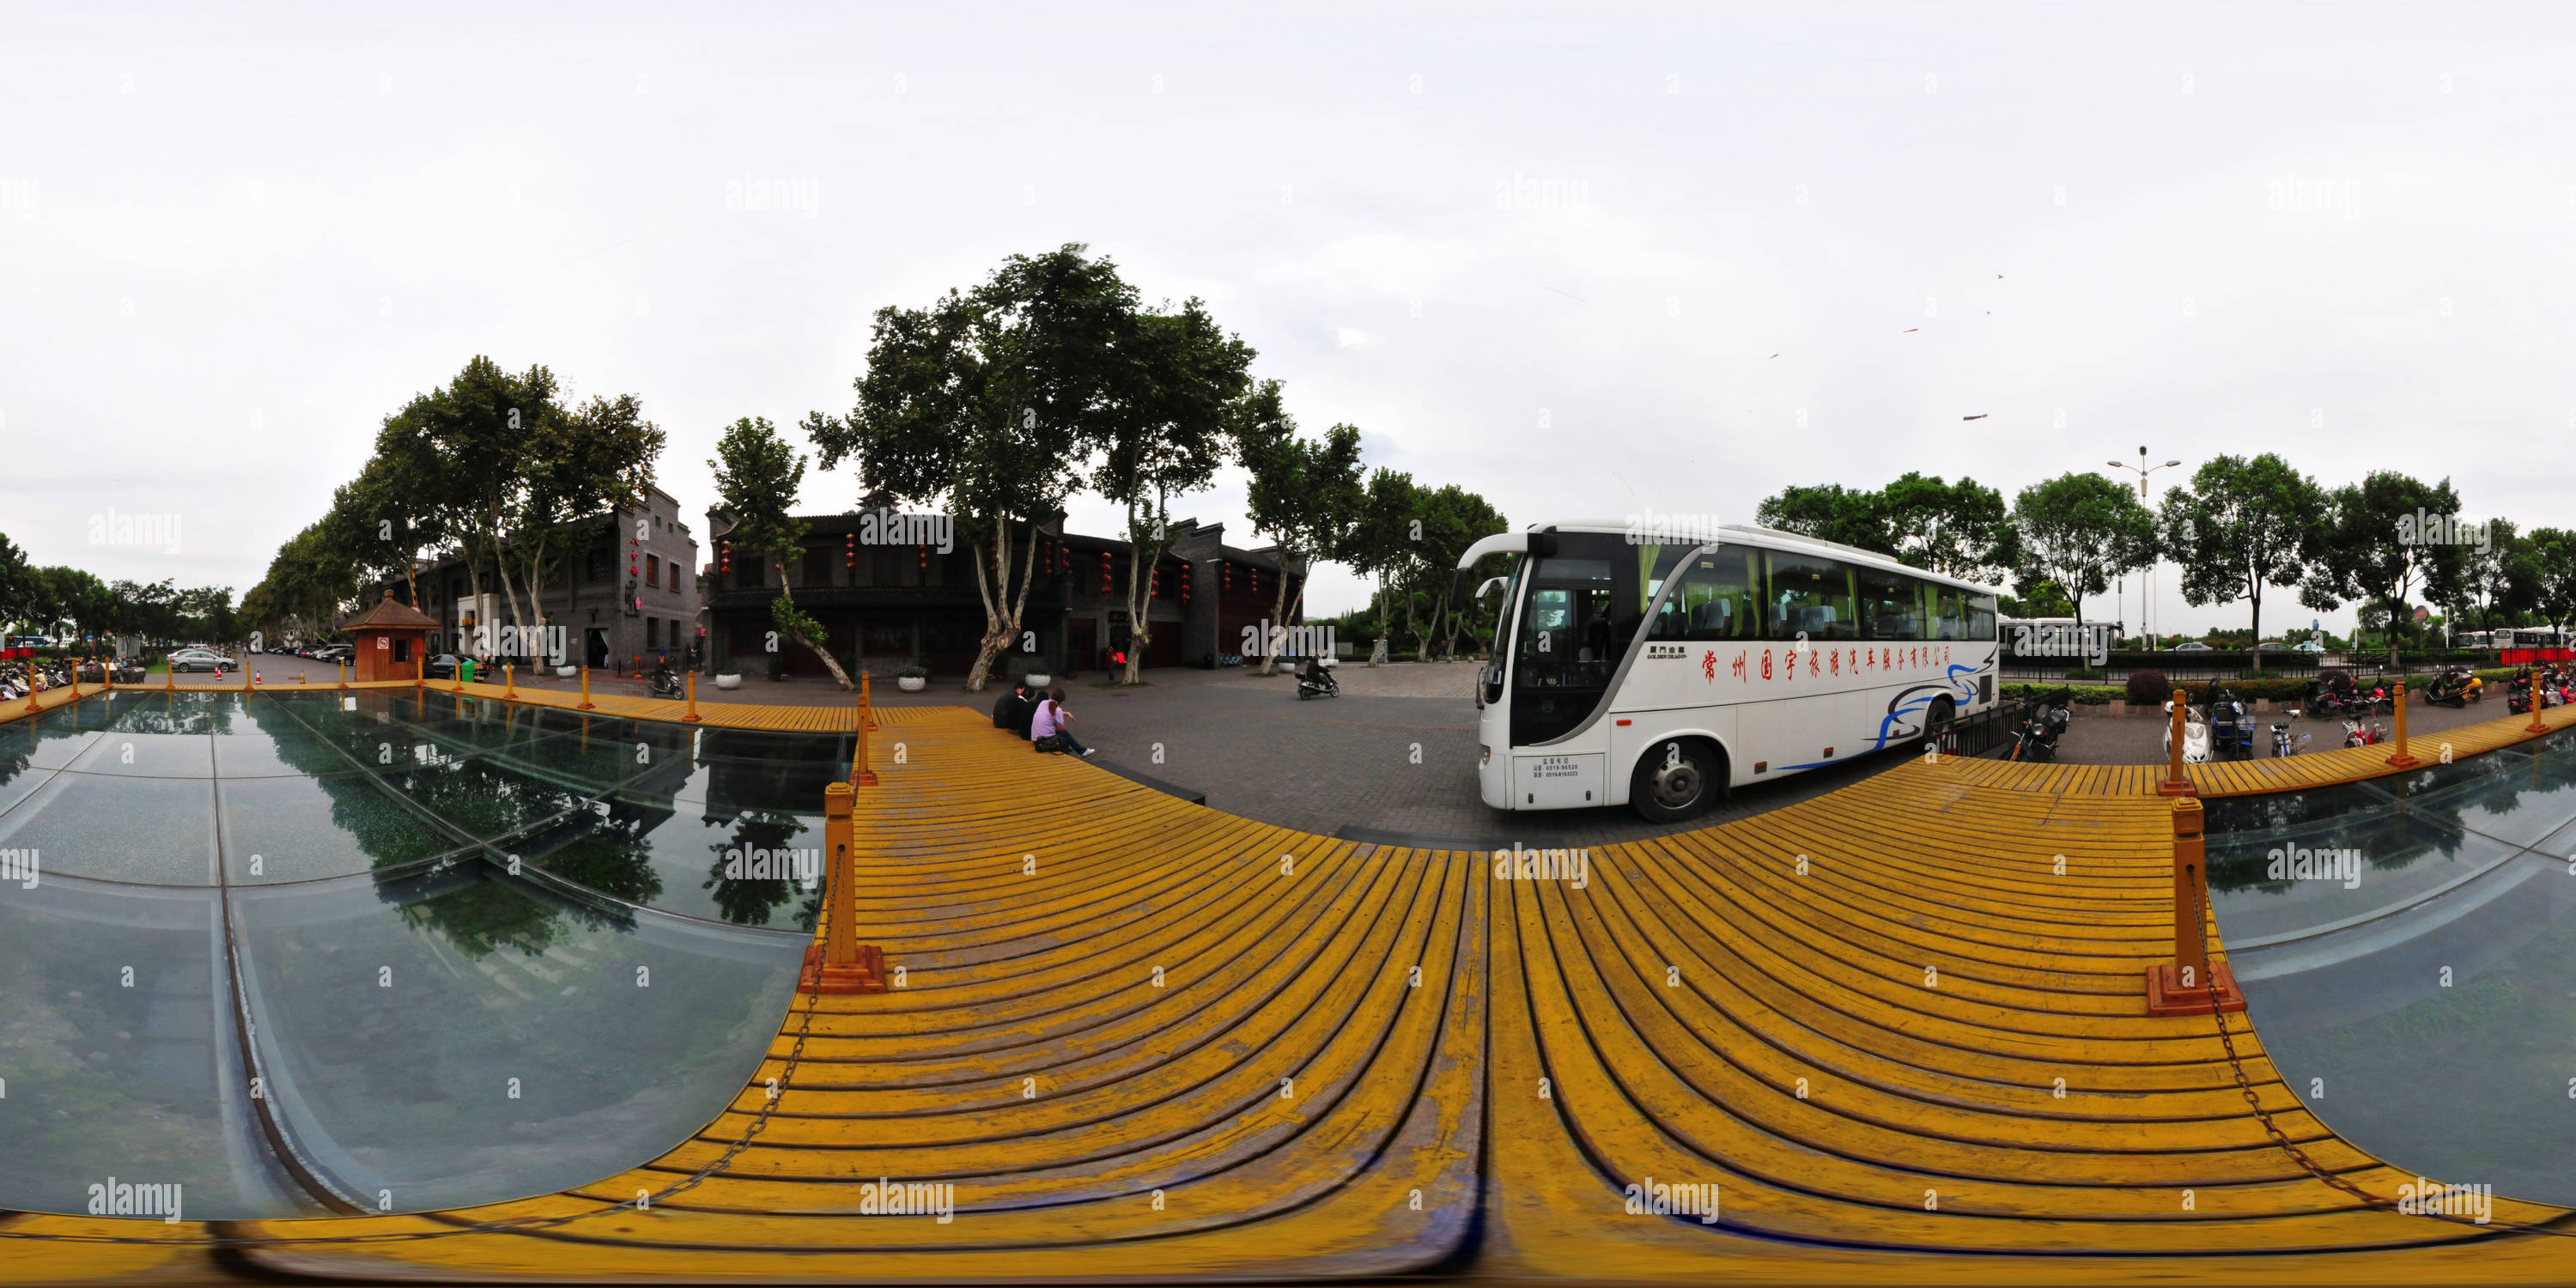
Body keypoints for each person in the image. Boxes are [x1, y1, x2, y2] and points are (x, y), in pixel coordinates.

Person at [1029, 686, 1095, 758]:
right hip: (1043, 741)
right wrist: (1057, 721)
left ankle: (1082, 751)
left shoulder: (1043, 702)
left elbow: (1049, 712)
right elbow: (1061, 729)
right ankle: (1078, 753)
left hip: (1035, 739)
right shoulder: (1057, 710)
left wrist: (1065, 713)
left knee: (1063, 737)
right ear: (1062, 700)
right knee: (1064, 737)